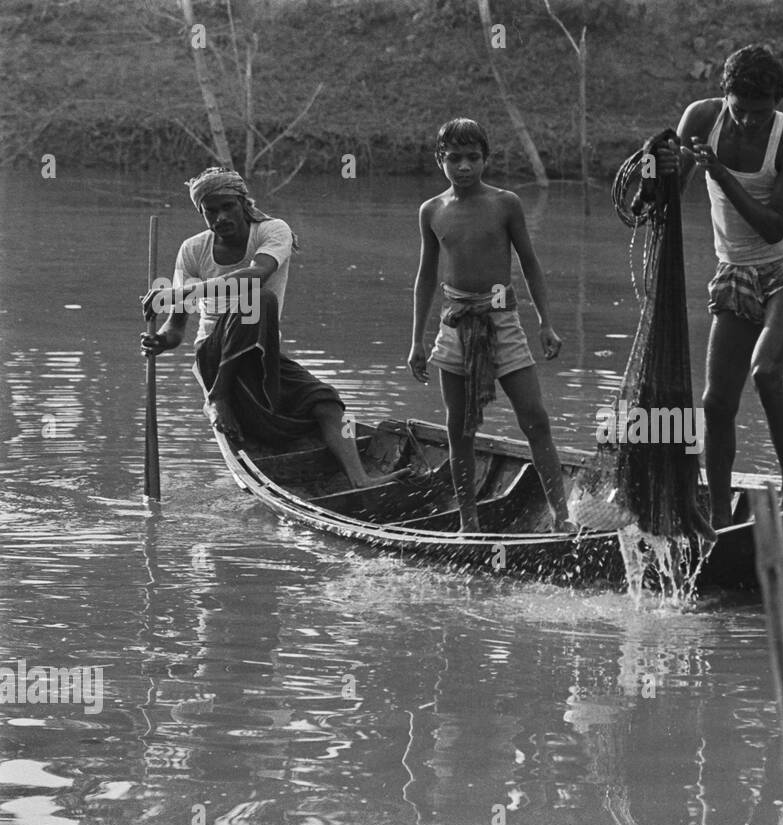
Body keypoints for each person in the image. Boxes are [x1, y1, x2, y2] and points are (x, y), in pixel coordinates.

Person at [649, 44, 783, 528]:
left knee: (766, 372)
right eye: (738, 109)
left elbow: (772, 226)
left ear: (777, 102)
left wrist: (720, 174)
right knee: (716, 402)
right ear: (724, 97)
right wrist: (658, 168)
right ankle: (721, 516)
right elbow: (668, 193)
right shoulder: (702, 118)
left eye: (758, 111)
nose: (746, 121)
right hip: (733, 274)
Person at [139, 168, 395, 488]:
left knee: (327, 402)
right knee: (259, 301)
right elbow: (177, 329)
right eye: (210, 211)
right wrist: (160, 341)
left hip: (262, 350)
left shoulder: (273, 231)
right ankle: (218, 399)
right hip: (214, 356)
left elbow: (258, 273)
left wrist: (182, 292)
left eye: (227, 207)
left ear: (244, 204)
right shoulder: (193, 249)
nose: (220, 218)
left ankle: (361, 479)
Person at [407, 118, 573, 533]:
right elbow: (426, 277)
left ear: (486, 159)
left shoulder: (505, 203)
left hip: (502, 319)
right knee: (459, 427)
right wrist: (416, 341)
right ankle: (469, 523)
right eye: (454, 159)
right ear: (439, 160)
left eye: (473, 158)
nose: (464, 167)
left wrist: (545, 323)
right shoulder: (432, 210)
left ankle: (562, 517)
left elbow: (529, 263)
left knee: (535, 419)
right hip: (456, 323)